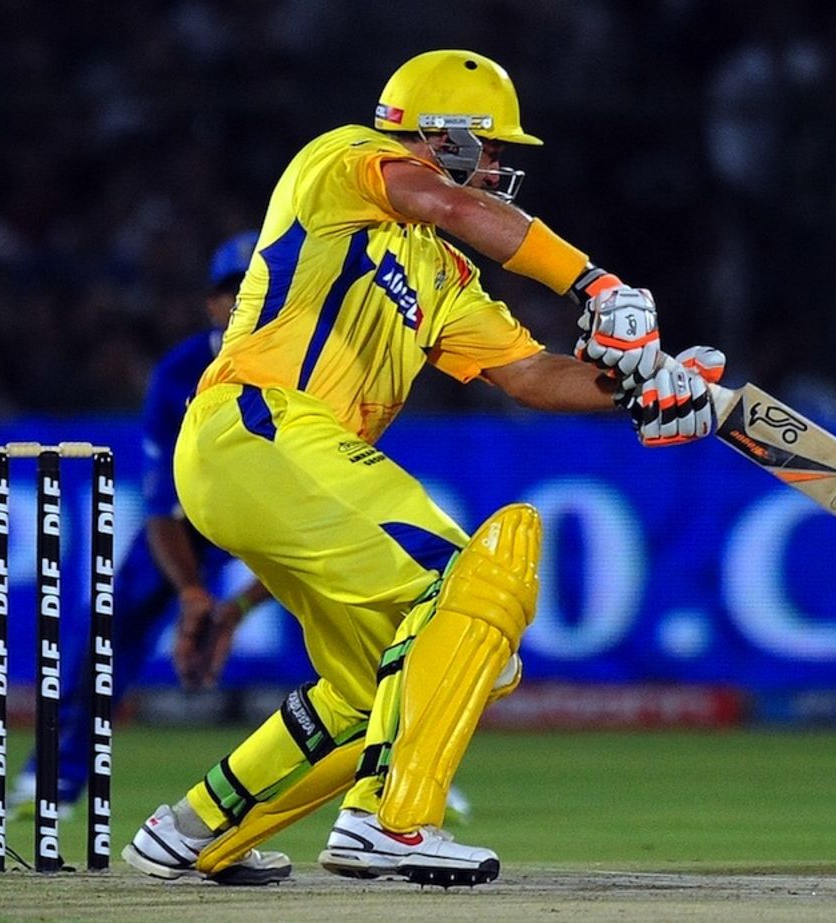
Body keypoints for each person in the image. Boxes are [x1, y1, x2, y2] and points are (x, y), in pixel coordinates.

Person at [122, 49, 724, 888]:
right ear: (445, 136)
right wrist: (592, 281)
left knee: (384, 684)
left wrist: (642, 386)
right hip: (258, 424)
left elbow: (529, 375)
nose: (501, 169)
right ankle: (388, 821)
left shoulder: (443, 272)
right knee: (469, 583)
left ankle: (191, 827)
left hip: (275, 464)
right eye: (493, 148)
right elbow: (443, 200)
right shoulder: (341, 161)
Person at [8, 233, 272, 817]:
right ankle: (54, 778)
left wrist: (239, 607)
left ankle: (401, 777)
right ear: (211, 304)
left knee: (367, 618)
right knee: (111, 624)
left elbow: (320, 520)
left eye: (257, 288)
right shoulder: (179, 374)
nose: (244, 302)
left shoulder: (312, 365)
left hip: (278, 511)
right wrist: (194, 593)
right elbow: (162, 509)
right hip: (194, 517)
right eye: (232, 291)